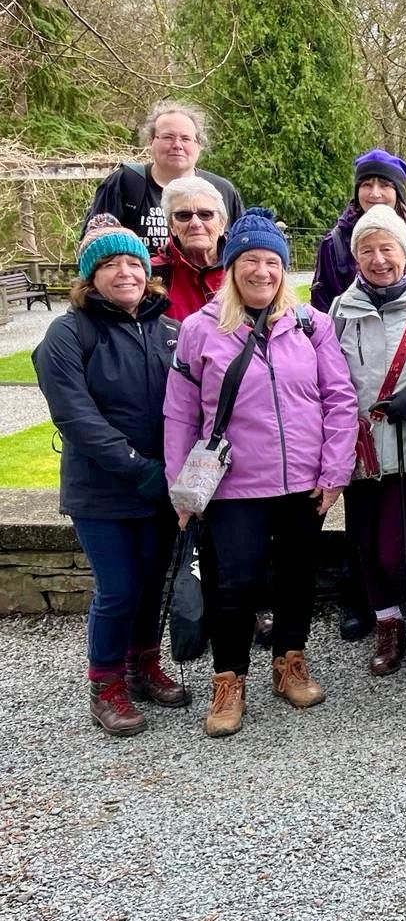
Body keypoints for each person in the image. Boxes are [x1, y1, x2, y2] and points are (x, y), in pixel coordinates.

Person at [163, 209, 358, 737]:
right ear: (232, 267)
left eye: (272, 261)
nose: (262, 271)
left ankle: (290, 660)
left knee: (297, 576)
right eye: (250, 260)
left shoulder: (310, 324)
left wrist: (334, 468)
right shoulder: (200, 331)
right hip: (233, 484)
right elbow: (180, 414)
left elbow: (339, 399)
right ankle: (229, 679)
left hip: (302, 480)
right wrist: (180, 489)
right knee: (236, 582)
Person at [34, 217, 186, 736]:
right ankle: (106, 682)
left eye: (133, 263)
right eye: (109, 264)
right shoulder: (68, 333)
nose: (124, 273)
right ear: (89, 276)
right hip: (101, 488)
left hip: (163, 483)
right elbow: (74, 414)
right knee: (118, 588)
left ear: (147, 272)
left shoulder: (168, 329)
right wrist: (133, 465)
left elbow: (191, 403)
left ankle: (143, 664)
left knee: (151, 584)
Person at [330, 205, 406, 677]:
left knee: (394, 546)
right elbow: (328, 374)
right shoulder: (341, 310)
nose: (378, 259)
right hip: (359, 447)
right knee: (363, 545)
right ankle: (388, 623)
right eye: (367, 250)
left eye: (387, 248)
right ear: (354, 257)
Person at [86, 100, 244, 256]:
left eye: (186, 138)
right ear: (151, 141)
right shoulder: (124, 183)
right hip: (141, 281)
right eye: (168, 137)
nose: (177, 145)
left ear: (199, 145)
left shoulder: (222, 191)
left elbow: (243, 250)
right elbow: (93, 250)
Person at [312, 150, 406, 311]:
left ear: (398, 193)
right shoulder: (334, 244)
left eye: (385, 185)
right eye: (367, 185)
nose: (375, 193)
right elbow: (322, 313)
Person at [149, 176, 229, 320]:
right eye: (183, 215)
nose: (195, 223)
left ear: (222, 223)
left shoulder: (242, 267)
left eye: (205, 214)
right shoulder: (152, 275)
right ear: (172, 226)